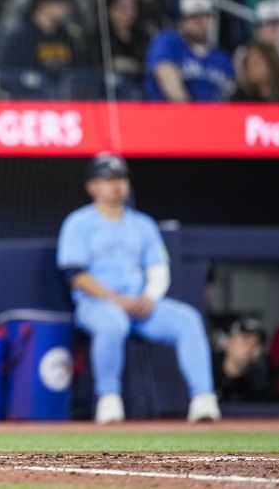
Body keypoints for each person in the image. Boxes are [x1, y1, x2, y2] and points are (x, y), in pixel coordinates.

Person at [57, 153, 220, 424]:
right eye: (108, 179)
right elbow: (75, 274)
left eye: (121, 178)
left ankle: (203, 399)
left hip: (140, 306)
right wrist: (114, 299)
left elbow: (158, 269)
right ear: (92, 186)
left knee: (188, 319)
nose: (116, 184)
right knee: (113, 323)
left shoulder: (142, 224)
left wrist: (150, 297)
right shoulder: (78, 223)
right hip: (97, 305)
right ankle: (109, 400)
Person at [143, 0, 235, 102]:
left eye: (205, 16)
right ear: (182, 21)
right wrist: (191, 114)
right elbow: (165, 74)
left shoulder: (222, 58)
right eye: (193, 16)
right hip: (172, 115)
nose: (200, 22)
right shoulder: (168, 42)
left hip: (215, 116)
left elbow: (230, 93)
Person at [213, 317, 271, 403]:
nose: (251, 346)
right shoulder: (205, 374)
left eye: (257, 342)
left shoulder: (261, 385)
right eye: (245, 339)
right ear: (227, 343)